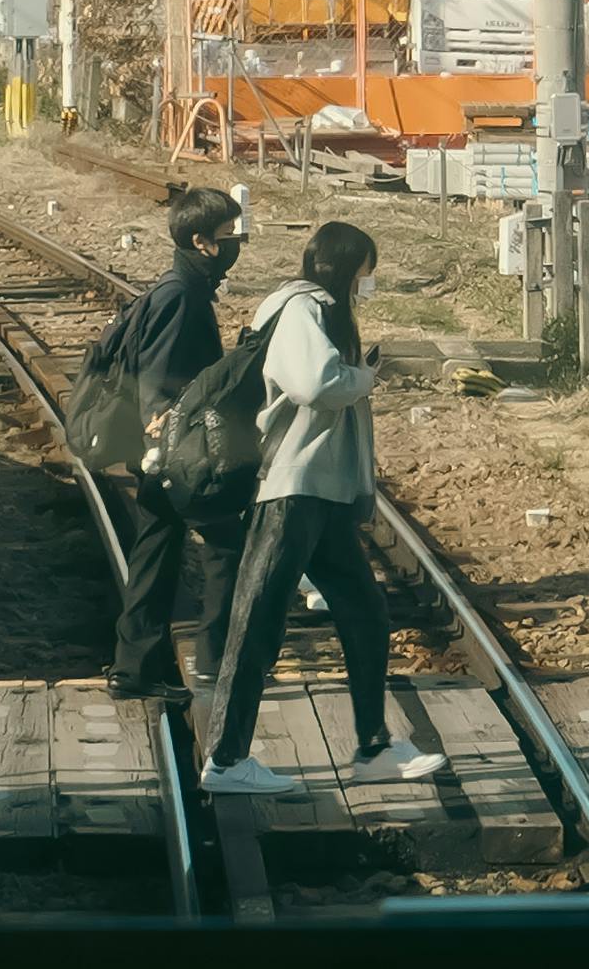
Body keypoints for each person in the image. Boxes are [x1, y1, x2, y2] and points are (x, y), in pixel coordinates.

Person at [198, 218, 446, 803]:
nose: (365, 287)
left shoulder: (312, 309)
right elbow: (316, 383)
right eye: (364, 275)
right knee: (258, 617)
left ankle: (374, 747)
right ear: (344, 269)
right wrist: (366, 376)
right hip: (292, 485)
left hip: (323, 490)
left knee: (365, 612)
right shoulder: (301, 309)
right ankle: (227, 759)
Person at [92, 185, 247, 700]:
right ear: (202, 242)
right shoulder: (180, 296)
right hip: (178, 455)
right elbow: (158, 377)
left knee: (155, 554)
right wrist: (164, 434)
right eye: (229, 235)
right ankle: (213, 662)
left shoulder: (183, 288)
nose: (237, 243)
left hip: (165, 453)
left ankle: (134, 671)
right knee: (227, 545)